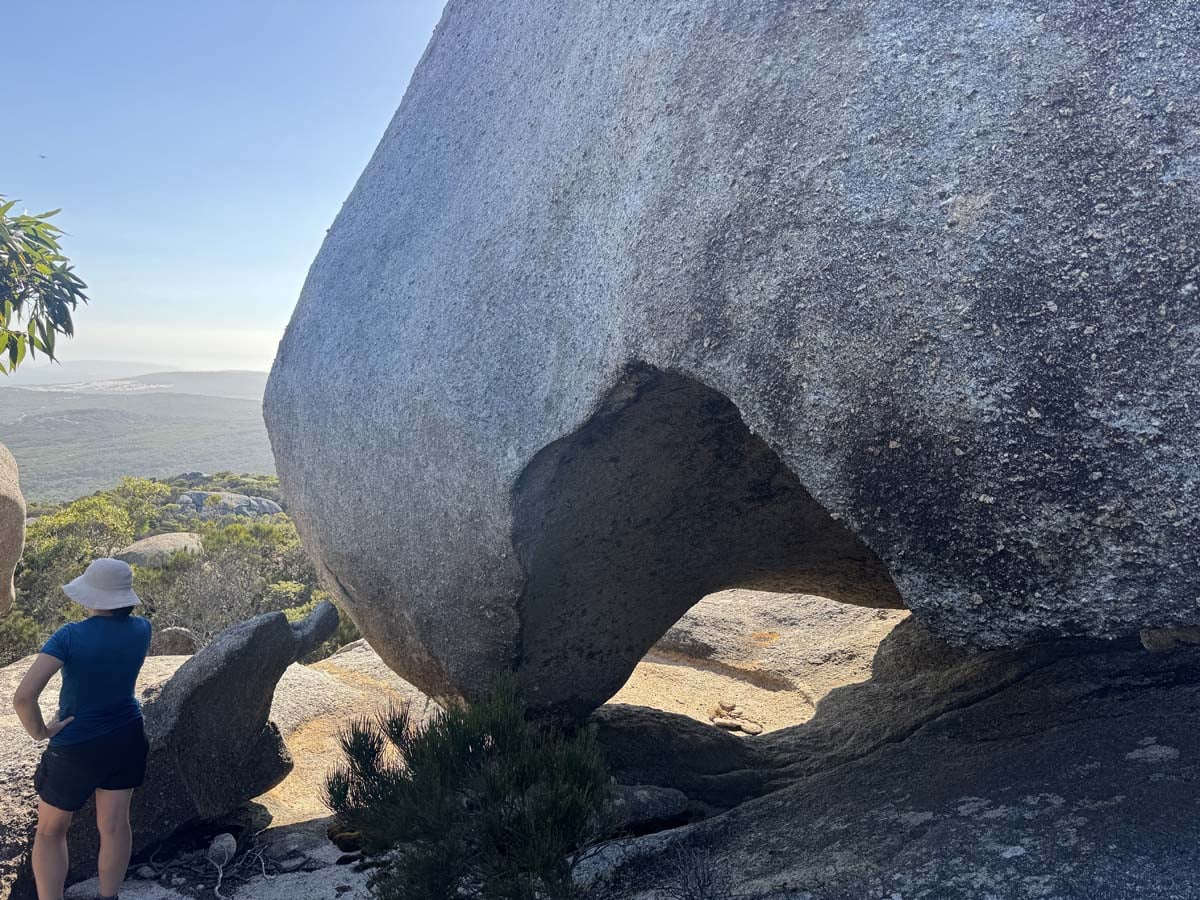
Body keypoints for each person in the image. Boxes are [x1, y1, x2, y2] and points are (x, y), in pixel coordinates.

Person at [11, 558, 152, 900]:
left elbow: (23, 697)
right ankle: (109, 896)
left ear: (92, 595)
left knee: (50, 832)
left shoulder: (70, 636)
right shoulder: (143, 628)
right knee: (116, 825)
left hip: (76, 746)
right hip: (128, 736)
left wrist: (41, 732)